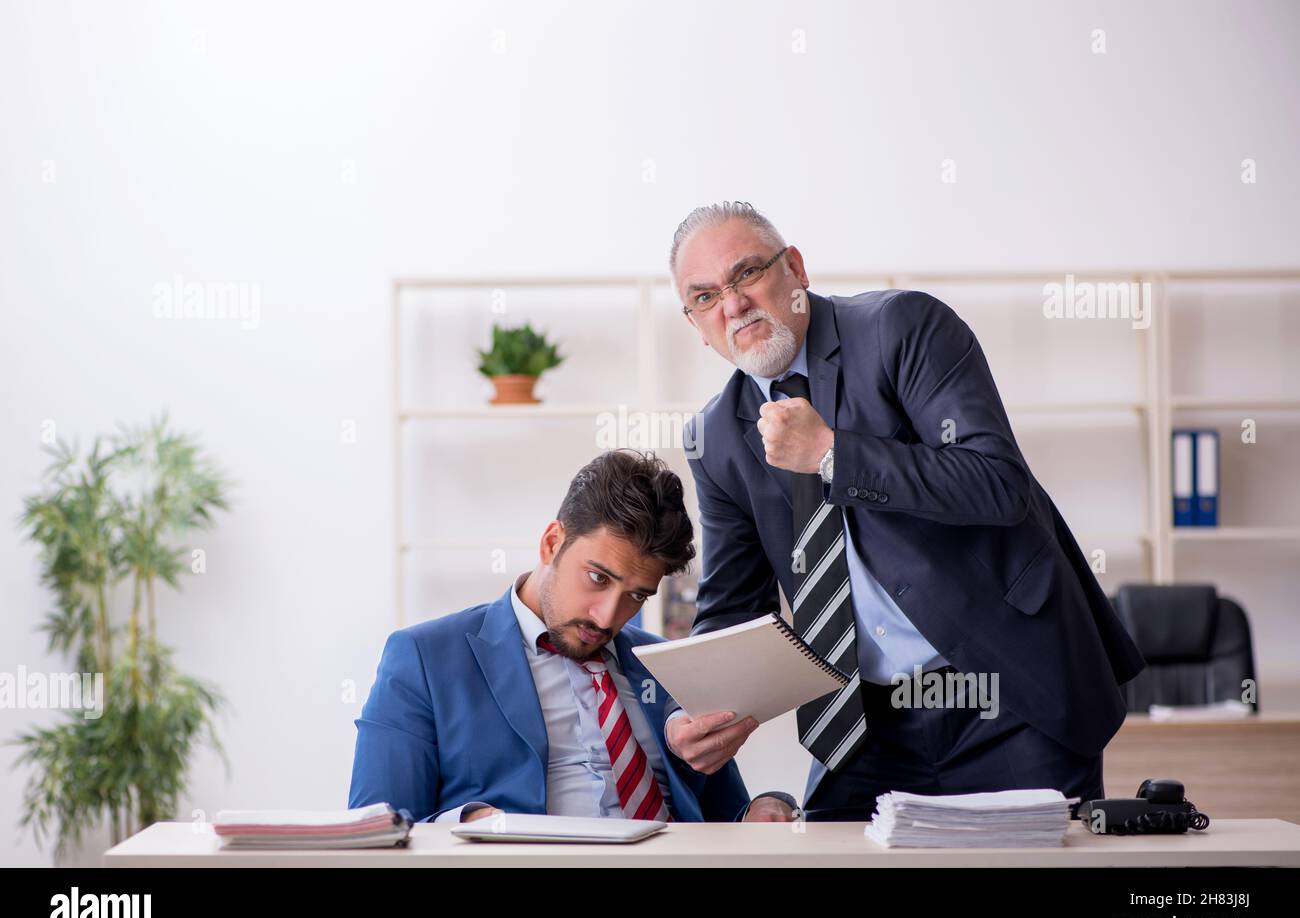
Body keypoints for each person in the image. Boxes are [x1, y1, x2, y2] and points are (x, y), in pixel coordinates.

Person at [663, 201, 1147, 821]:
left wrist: (831, 453)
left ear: (796, 269)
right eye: (705, 297)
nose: (732, 306)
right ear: (694, 323)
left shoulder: (902, 327)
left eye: (747, 274)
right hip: (864, 725)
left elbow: (997, 482)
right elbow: (733, 606)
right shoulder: (717, 436)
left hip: (1005, 697)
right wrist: (699, 711)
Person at [348, 448, 795, 823]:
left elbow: (727, 815)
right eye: (599, 579)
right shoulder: (425, 659)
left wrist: (766, 809)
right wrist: (469, 824)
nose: (607, 617)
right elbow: (375, 828)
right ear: (551, 543)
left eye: (635, 596)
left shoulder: (668, 666)